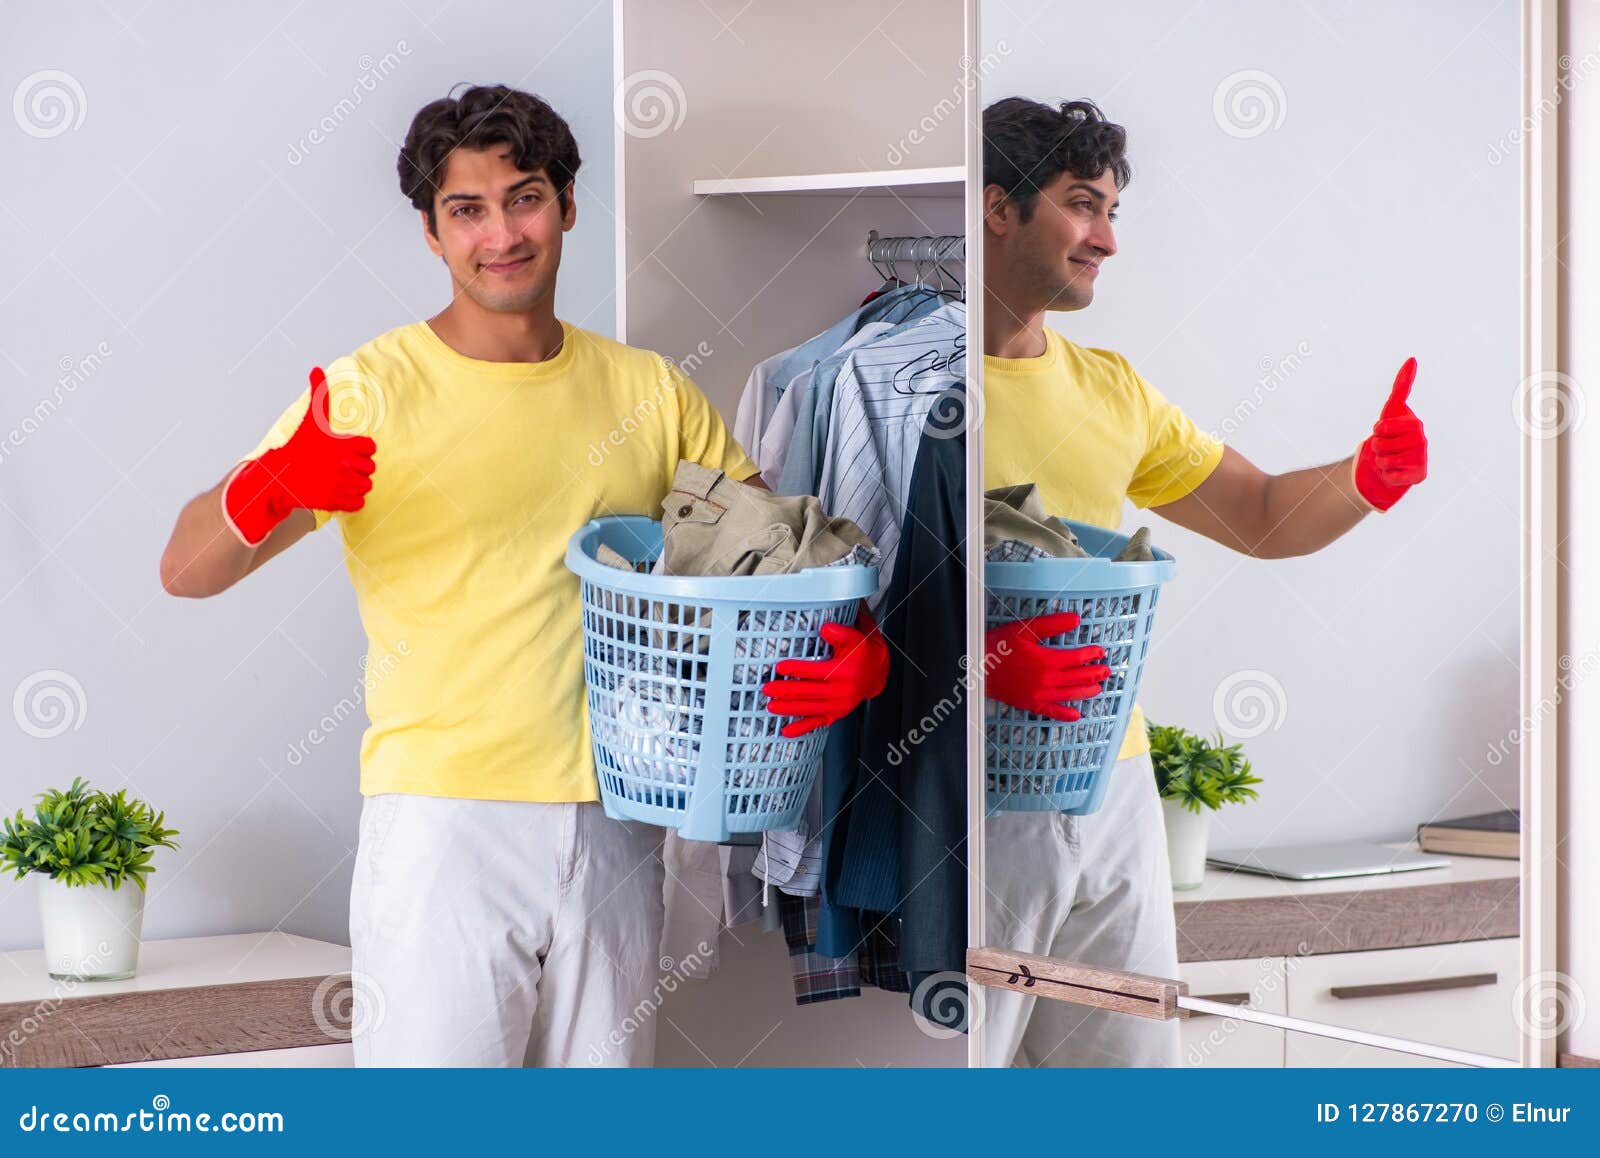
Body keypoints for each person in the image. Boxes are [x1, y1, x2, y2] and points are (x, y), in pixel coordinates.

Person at [159, 84, 886, 1067]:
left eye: (524, 197)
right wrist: (270, 485)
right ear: (432, 233)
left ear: (568, 204)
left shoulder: (650, 391)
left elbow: (781, 567)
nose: (500, 233)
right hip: (444, 826)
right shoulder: (372, 389)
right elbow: (187, 570)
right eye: (467, 209)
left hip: (620, 824)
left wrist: (864, 653)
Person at [978, 96, 1428, 1067]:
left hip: (1112, 790)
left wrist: (1363, 476)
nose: (1104, 238)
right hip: (969, 800)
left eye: (1110, 213)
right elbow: (840, 592)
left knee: (1127, 1090)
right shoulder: (904, 384)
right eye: (1081, 205)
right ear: (995, 208)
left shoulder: (1111, 389)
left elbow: (1260, 512)